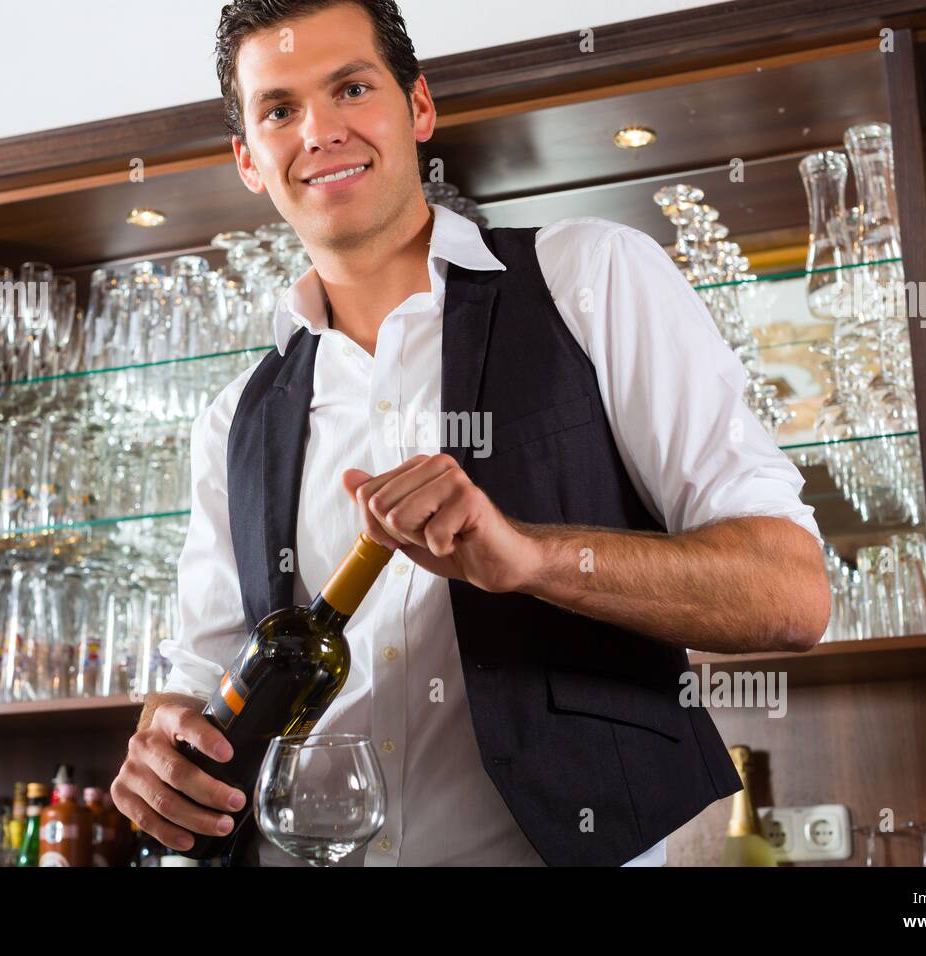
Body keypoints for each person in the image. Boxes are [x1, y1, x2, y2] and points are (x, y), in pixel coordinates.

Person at [110, 0, 830, 867]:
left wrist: (531, 560)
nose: (321, 131)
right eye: (279, 109)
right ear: (248, 160)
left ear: (418, 107)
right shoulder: (235, 419)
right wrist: (161, 737)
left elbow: (791, 593)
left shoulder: (589, 277)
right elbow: (201, 684)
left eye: (351, 88)